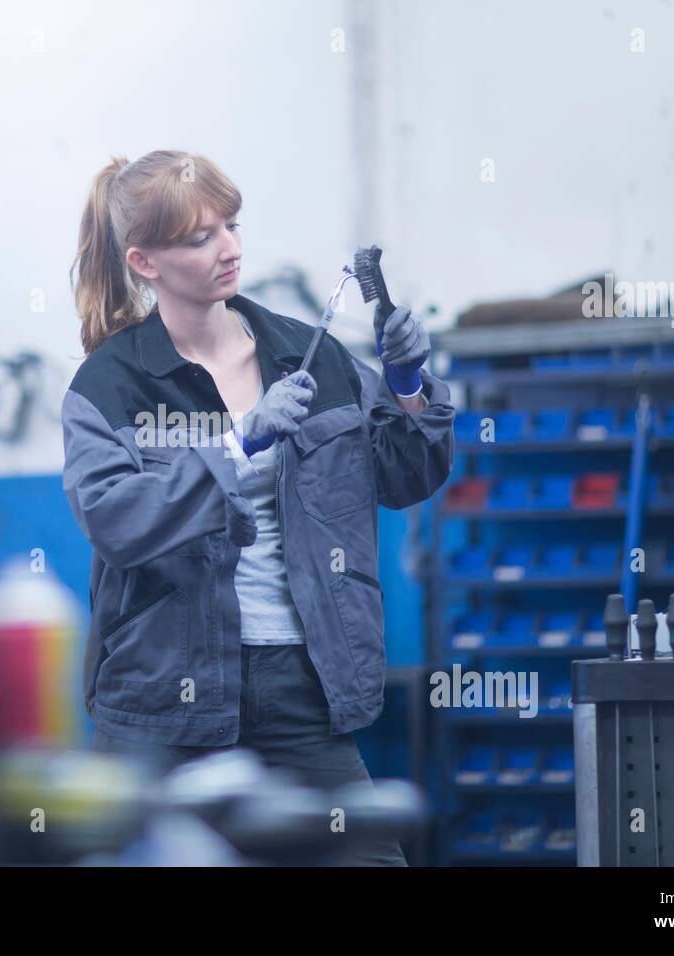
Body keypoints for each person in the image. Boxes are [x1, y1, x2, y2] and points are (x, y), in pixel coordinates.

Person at [62, 149, 455, 865]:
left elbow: (408, 474)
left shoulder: (314, 358)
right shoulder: (111, 384)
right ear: (145, 262)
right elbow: (115, 520)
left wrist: (408, 385)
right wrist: (242, 445)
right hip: (163, 704)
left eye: (231, 226)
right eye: (199, 237)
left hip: (298, 687)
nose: (229, 249)